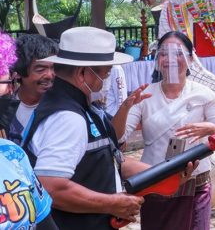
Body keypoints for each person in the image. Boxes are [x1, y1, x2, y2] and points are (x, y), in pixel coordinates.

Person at [20, 26, 195, 229]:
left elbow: (112, 160)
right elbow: (51, 186)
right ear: (83, 73)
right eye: (106, 73)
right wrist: (113, 203)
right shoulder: (67, 117)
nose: (107, 80)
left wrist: (165, 173)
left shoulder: (85, 107)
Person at [117, 30, 215, 230]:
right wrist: (125, 107)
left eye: (178, 53)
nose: (171, 59)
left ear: (190, 58)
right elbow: (119, 137)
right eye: (164, 53)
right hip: (154, 183)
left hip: (195, 186)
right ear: (157, 58)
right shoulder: (145, 95)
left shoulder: (204, 94)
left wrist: (212, 128)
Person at [7, 34, 59, 144]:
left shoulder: (62, 109)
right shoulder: (5, 110)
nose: (50, 75)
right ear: (19, 73)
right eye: (40, 69)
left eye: (54, 68)